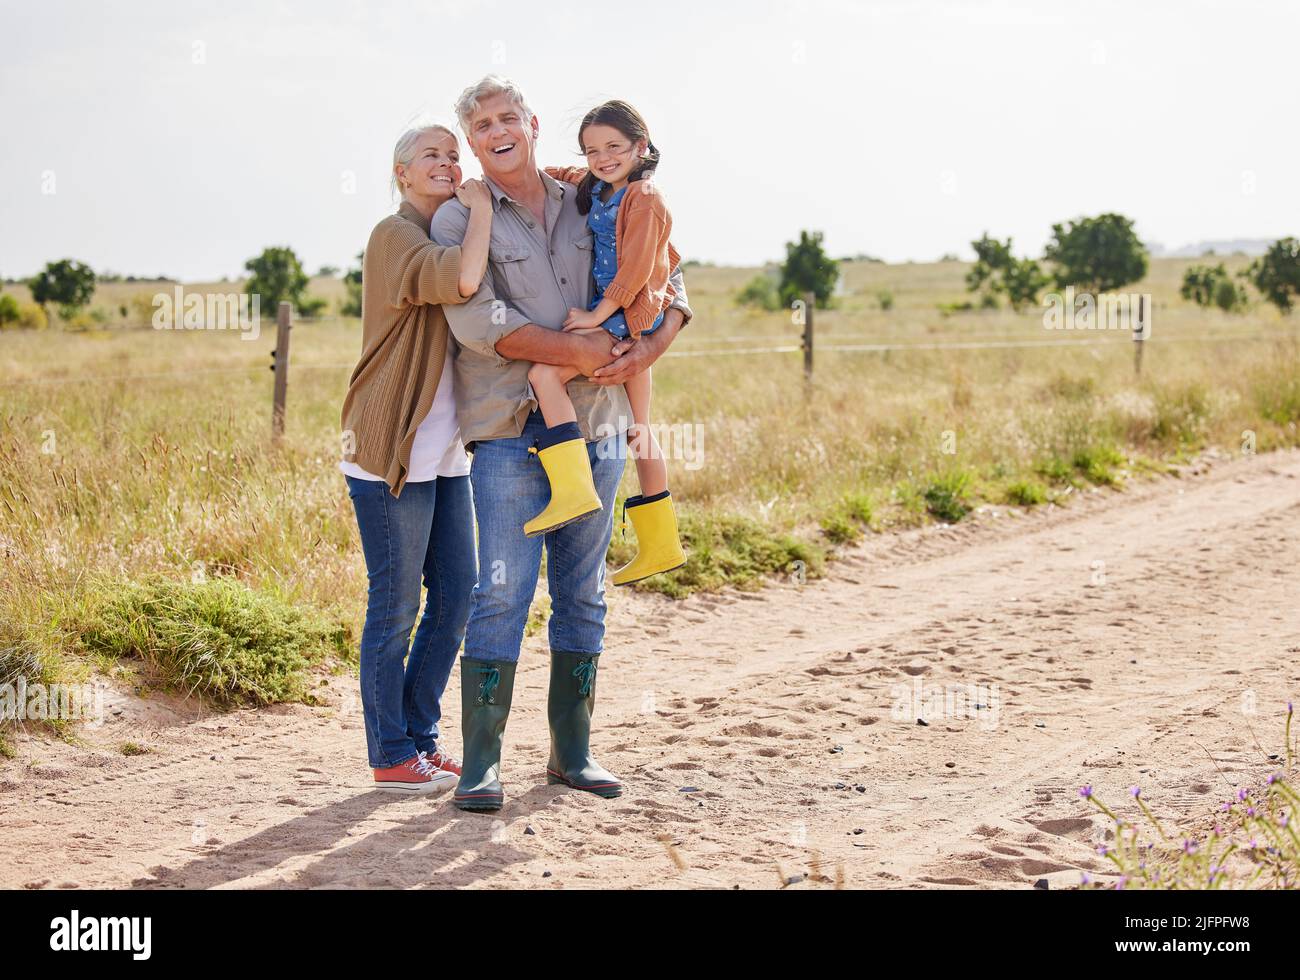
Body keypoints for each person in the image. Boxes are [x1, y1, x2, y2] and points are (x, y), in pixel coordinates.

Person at [430, 75, 693, 811]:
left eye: (507, 116)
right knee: (502, 591)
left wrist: (655, 341)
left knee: (583, 592)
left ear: (533, 123)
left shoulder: (593, 192)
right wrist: (584, 350)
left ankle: (571, 754)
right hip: (513, 433)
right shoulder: (459, 219)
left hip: (602, 425)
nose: (497, 130)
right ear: (474, 142)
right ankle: (481, 765)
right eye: (481, 125)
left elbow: (667, 266)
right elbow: (484, 326)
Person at [338, 123, 492, 794]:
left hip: (446, 452)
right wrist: (485, 208)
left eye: (452, 154)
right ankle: (390, 754)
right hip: (390, 448)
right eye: (430, 154)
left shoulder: (456, 227)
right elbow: (460, 283)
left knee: (457, 594)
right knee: (395, 605)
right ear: (401, 173)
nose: (446, 161)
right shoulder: (394, 235)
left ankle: (421, 740)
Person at [536, 98, 686, 586]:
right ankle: (661, 545)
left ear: (640, 146)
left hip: (625, 316)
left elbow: (638, 267)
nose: (602, 158)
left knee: (543, 375)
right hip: (630, 318)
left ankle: (574, 487)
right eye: (591, 150)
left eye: (614, 147)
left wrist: (600, 314)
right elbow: (556, 173)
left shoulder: (644, 197)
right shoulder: (599, 186)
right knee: (640, 426)